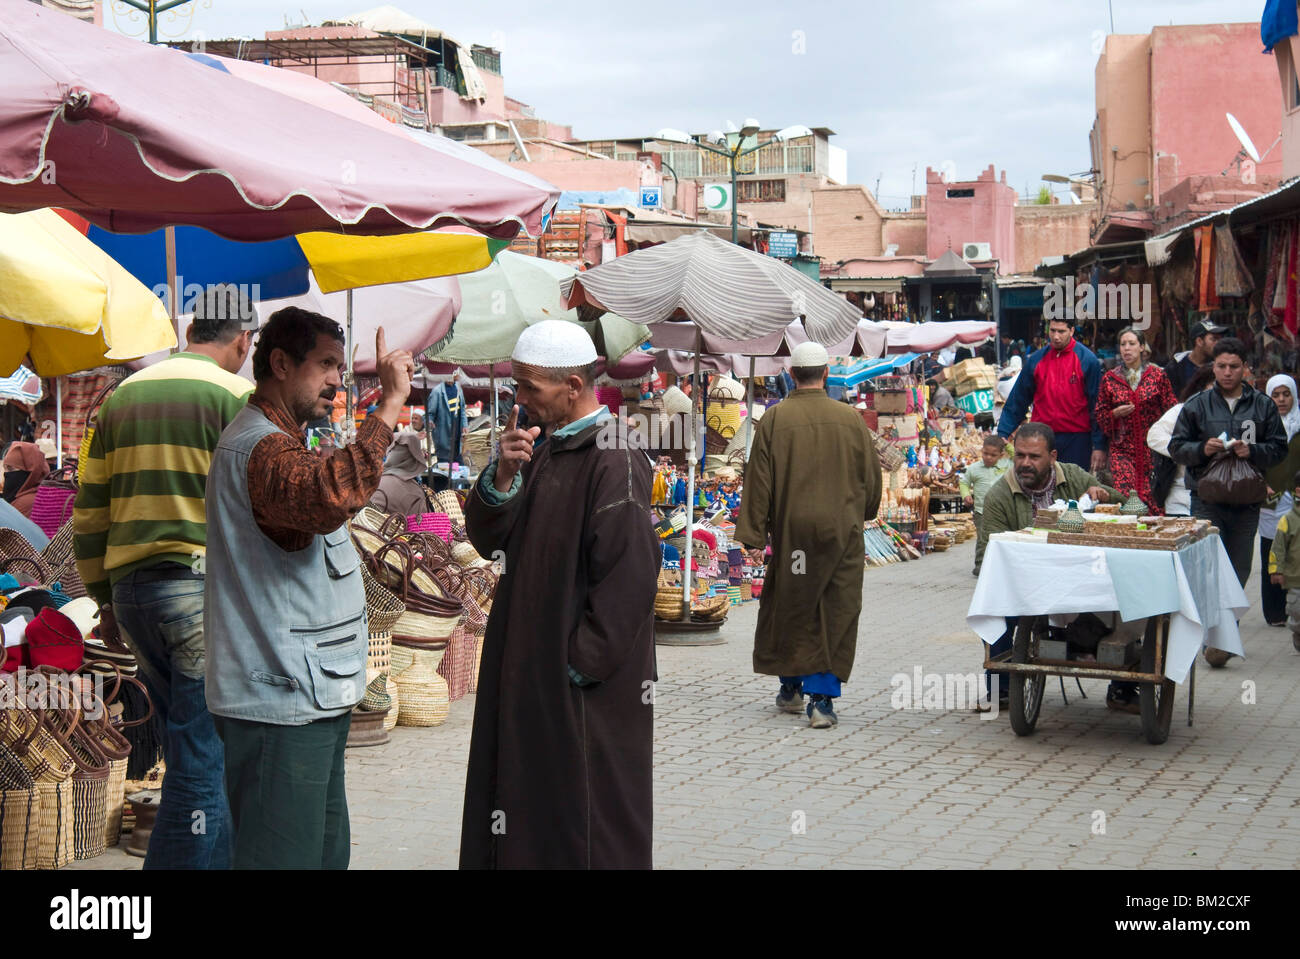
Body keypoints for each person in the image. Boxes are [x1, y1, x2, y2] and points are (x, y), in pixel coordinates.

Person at [203, 308, 413, 869]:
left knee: (320, 854)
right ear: (278, 363)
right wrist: (389, 405)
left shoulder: (280, 442)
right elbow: (328, 497)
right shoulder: (260, 447)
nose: (335, 382)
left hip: (305, 694)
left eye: (339, 368)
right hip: (279, 699)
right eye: (324, 365)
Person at [460, 320, 658, 869]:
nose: (520, 401)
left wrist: (581, 662)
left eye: (530, 388)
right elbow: (490, 540)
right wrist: (502, 475)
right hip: (534, 674)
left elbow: (630, 575)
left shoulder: (614, 456)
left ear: (573, 386)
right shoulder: (546, 451)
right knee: (528, 811)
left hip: (580, 689)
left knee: (586, 821)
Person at [72, 285, 254, 869]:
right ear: (244, 341)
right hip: (201, 594)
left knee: (188, 751)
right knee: (205, 755)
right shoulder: (241, 396)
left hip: (133, 595)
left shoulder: (123, 395)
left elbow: (90, 511)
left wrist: (102, 600)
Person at [736, 341, 882, 729]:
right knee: (836, 608)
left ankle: (790, 687)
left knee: (793, 604)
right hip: (842, 532)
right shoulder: (852, 420)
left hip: (793, 535)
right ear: (827, 374)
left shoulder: (773, 420)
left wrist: (752, 534)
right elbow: (871, 480)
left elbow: (758, 480)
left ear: (791, 375)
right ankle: (822, 700)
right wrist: (863, 512)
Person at [975, 423, 1121, 707]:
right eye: (1020, 456)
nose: (1025, 463)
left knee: (1129, 603)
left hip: (1082, 581)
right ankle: (1000, 687)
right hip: (1024, 585)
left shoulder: (1074, 477)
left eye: (1034, 456)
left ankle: (1124, 689)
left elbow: (1123, 505)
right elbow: (986, 557)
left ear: (1053, 456)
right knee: (992, 606)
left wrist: (1103, 496)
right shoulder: (999, 495)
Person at [1168, 337, 1288, 668]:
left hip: (1247, 502)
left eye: (1234, 366)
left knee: (1238, 571)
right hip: (1206, 500)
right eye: (1221, 366)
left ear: (1245, 368)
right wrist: (1201, 450)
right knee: (1204, 569)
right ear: (1213, 367)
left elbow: (1280, 448)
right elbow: (1177, 447)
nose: (1227, 372)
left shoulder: (1262, 405)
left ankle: (1224, 636)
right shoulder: (1197, 405)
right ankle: (1205, 635)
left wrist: (1255, 451)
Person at [998, 317, 1106, 473]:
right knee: (1040, 487)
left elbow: (1097, 405)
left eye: (1061, 331)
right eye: (1053, 330)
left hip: (1077, 439)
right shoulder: (1036, 360)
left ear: (1072, 331)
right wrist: (1003, 431)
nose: (1056, 336)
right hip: (1042, 437)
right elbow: (1019, 398)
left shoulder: (1088, 361)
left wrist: (1099, 445)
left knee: (1073, 489)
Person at [1094, 326, 1177, 512]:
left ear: (1141, 347)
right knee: (1125, 499)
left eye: (1131, 343)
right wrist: (1115, 414)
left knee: (1153, 500)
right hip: (1122, 450)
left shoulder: (1157, 376)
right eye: (1123, 344)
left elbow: (1172, 411)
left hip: (1152, 451)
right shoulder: (1110, 379)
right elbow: (1100, 415)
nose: (1126, 348)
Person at [1257, 375, 1300, 626]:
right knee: (1271, 552)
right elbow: (1250, 456)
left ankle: (1295, 606)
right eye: (1276, 395)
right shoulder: (1261, 424)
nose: (1282, 400)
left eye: (1286, 394)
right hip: (1270, 498)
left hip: (1295, 499)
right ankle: (1274, 613)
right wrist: (1261, 484)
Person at [1147, 365, 1217, 517]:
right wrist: (1187, 450)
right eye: (1214, 385)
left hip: (1221, 497)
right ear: (1203, 386)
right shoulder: (1183, 410)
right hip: (1181, 496)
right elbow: (1154, 436)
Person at [963, 435, 1009, 574]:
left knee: (1000, 538)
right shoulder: (974, 468)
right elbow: (964, 482)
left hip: (1002, 511)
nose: (988, 457)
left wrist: (1009, 446)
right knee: (983, 539)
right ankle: (980, 565)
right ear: (981, 451)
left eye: (993, 455)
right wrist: (966, 494)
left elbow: (1016, 458)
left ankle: (998, 565)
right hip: (981, 510)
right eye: (985, 453)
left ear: (1001, 455)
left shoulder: (1006, 466)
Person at [1267, 470, 1300, 652]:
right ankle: (1298, 633)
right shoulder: (1288, 520)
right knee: (1297, 611)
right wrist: (1276, 570)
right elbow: (1277, 548)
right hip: (1295, 578)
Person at [1165, 316, 1227, 398]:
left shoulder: (1223, 365)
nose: (1219, 343)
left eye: (1220, 339)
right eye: (1214, 339)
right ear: (1199, 341)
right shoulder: (1175, 368)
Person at [369, 430, 428, 516]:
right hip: (391, 528)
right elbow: (422, 523)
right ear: (415, 457)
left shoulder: (375, 480)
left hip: (364, 526)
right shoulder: (413, 491)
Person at [2, 441, 48, 517]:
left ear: (29, 472)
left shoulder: (26, 503)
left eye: (10, 469)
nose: (6, 474)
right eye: (5, 468)